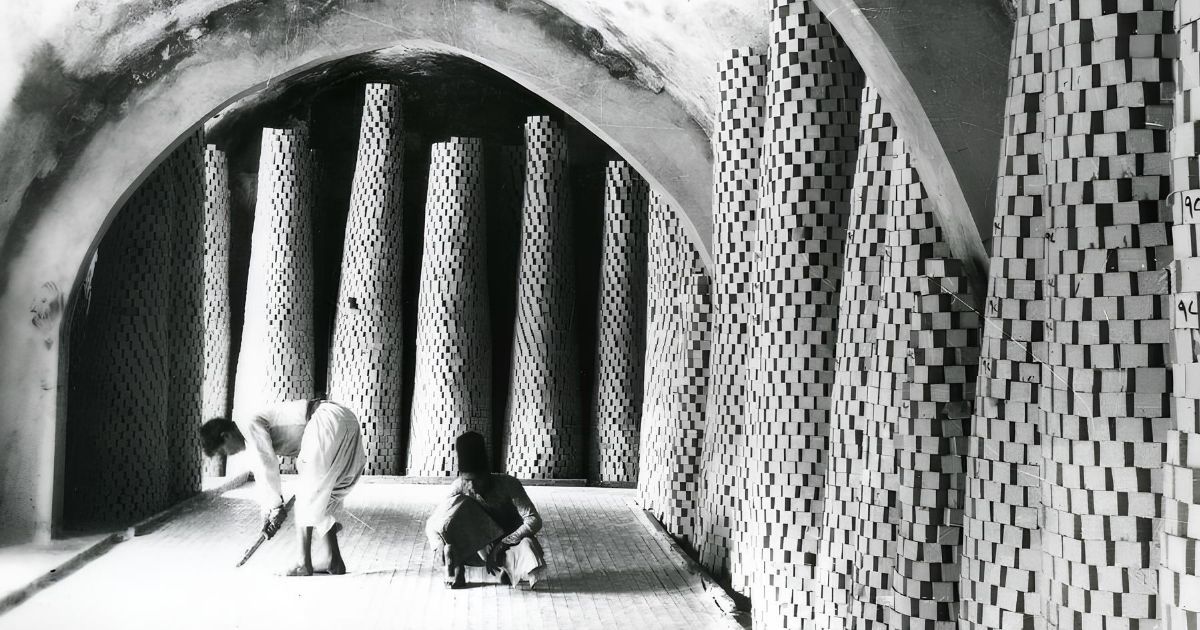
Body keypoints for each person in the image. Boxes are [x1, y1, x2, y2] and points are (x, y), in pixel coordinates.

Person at [200, 399, 366, 576]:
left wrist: (276, 507)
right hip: (345, 419)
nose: (229, 455)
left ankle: (303, 563)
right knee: (323, 498)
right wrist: (268, 515)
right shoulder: (249, 432)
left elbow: (267, 463)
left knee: (307, 494)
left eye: (224, 451)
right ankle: (333, 560)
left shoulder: (248, 425)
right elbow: (262, 473)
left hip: (325, 420)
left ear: (225, 436)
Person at [425, 431, 547, 589]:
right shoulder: (459, 487)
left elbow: (534, 519)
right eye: (467, 480)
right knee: (452, 513)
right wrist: (439, 546)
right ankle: (456, 568)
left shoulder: (508, 484)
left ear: (487, 474)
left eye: (477, 480)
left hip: (506, 546)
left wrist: (502, 544)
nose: (472, 486)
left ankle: (509, 568)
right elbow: (432, 523)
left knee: (528, 544)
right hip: (474, 549)